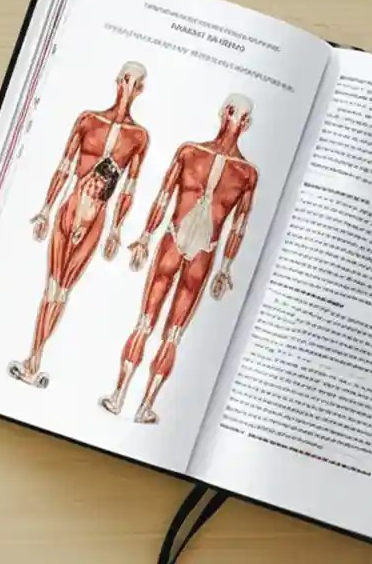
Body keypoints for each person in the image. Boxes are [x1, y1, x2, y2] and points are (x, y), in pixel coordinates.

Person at [99, 93, 258, 422]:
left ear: (246, 123)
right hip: (177, 243)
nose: (233, 120)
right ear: (223, 112)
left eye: (239, 115)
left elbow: (239, 226)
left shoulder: (245, 173)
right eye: (232, 111)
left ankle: (138, 402)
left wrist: (226, 268)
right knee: (147, 324)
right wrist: (145, 237)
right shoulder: (192, 153)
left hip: (201, 253)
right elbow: (164, 196)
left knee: (170, 333)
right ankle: (123, 396)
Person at [8, 62, 150, 388]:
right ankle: (33, 359)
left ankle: (35, 359)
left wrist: (116, 229)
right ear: (117, 81)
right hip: (69, 207)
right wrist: (45, 209)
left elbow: (130, 186)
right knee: (51, 288)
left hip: (96, 218)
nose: (129, 88)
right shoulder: (89, 120)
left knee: (63, 292)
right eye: (126, 79)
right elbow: (65, 163)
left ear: (141, 90)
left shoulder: (138, 137)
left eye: (136, 84)